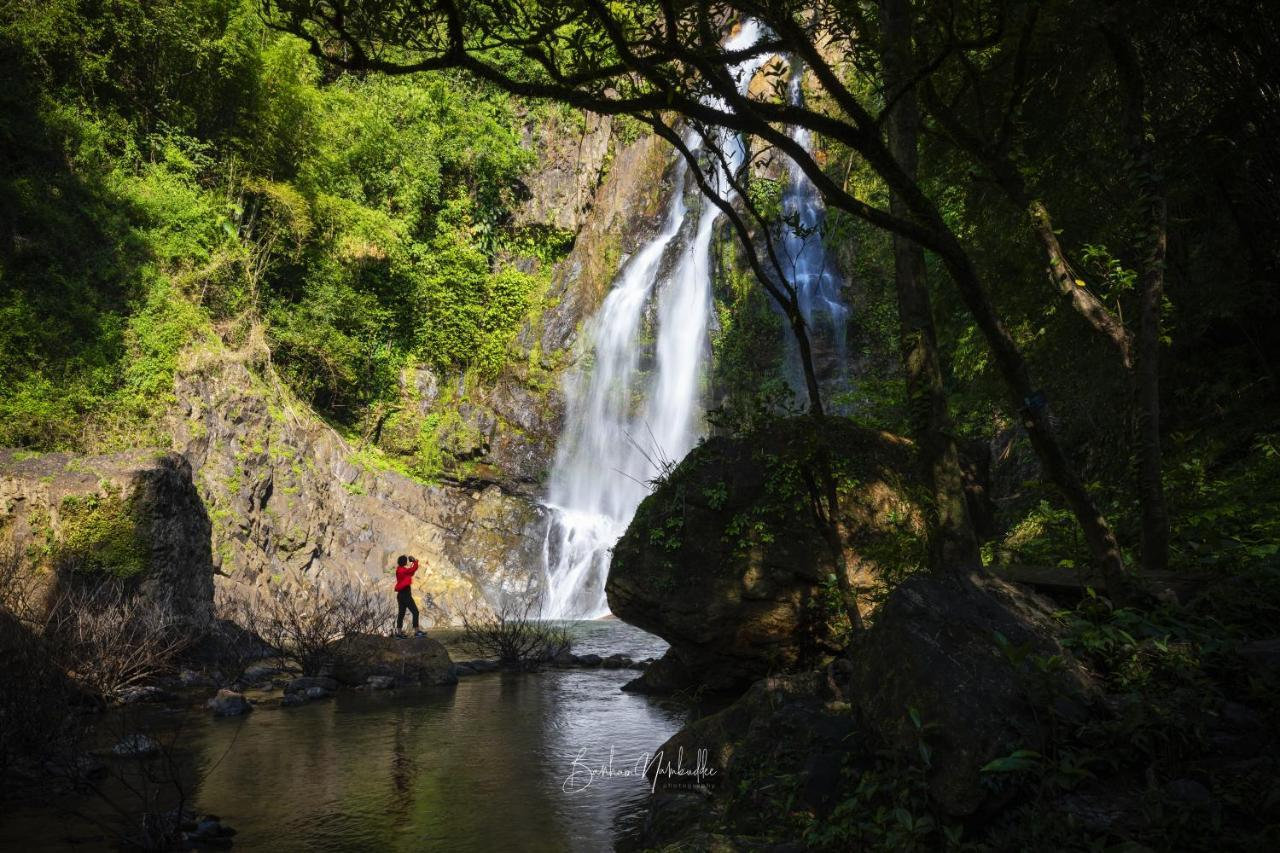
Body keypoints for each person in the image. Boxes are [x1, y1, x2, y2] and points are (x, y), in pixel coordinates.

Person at [394, 554, 426, 638]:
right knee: (415, 612)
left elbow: (410, 572)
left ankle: (399, 633)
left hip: (400, 595)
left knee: (401, 614)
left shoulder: (399, 570)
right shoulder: (403, 570)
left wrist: (413, 564)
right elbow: (413, 570)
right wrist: (415, 562)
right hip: (405, 595)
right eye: (406, 561)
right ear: (404, 562)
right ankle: (417, 631)